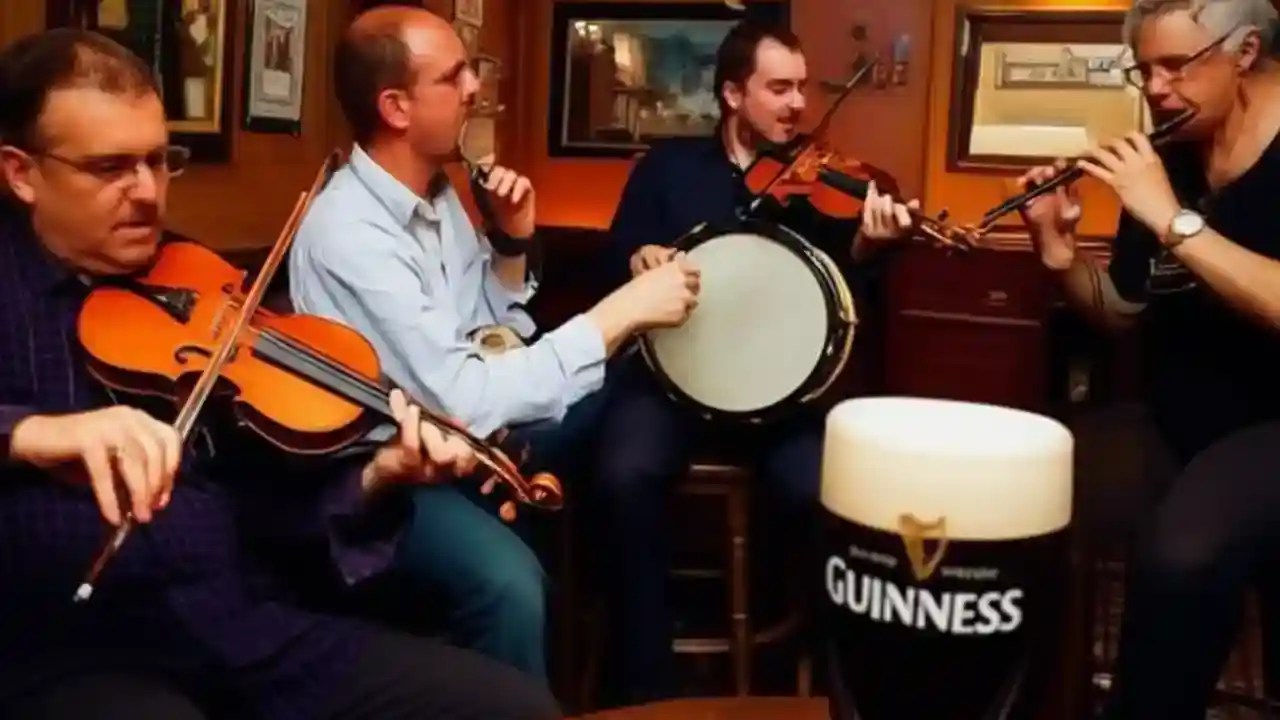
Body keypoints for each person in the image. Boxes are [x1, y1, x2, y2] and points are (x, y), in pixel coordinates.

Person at [0, 27, 559, 720]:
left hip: (241, 629)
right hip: (73, 651)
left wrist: (380, 474)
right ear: (22, 173)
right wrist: (30, 434)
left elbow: (275, 508)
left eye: (158, 160)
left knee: (509, 707)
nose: (147, 193)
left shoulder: (199, 282)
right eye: (111, 168)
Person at [287, 6, 699, 683]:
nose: (474, 87)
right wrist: (617, 313)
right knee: (508, 585)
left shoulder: (439, 194)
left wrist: (509, 241)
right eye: (454, 76)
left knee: (635, 391)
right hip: (394, 470)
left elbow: (496, 331)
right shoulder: (350, 234)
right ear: (395, 106)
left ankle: (630, 666)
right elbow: (462, 398)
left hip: (483, 437)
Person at [591, 20, 920, 704]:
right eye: (780, 88)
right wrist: (638, 260)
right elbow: (616, 255)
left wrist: (866, 249)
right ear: (734, 93)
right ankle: (644, 687)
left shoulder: (828, 184)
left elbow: (844, 305)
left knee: (825, 491)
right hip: (672, 385)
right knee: (624, 473)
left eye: (801, 88)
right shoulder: (668, 169)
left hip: (782, 399)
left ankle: (806, 672)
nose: (798, 103)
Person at [1014, 0, 1280, 716]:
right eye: (1144, 71)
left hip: (1269, 426)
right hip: (1174, 418)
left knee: (1182, 553)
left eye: (1176, 67)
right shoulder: (1168, 154)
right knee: (1022, 500)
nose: (1157, 89)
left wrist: (1170, 218)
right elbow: (1123, 312)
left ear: (1245, 50)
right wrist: (1059, 255)